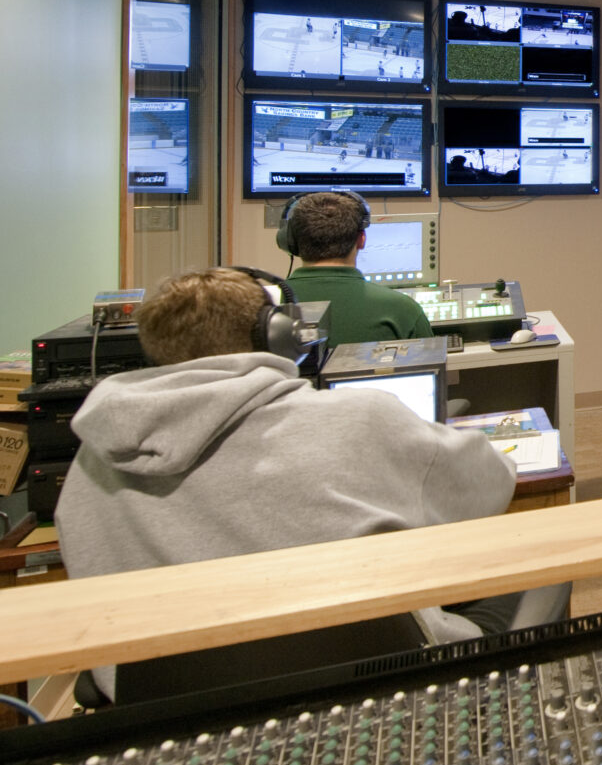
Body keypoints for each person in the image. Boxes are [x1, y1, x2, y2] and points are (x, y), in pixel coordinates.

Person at [56, 268, 537, 694]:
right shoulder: (358, 418)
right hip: (383, 683)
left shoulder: (94, 459)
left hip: (166, 706)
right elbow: (489, 486)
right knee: (527, 565)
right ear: (281, 334)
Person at [281, 190, 434, 345]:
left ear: (290, 241)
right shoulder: (403, 310)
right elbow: (431, 365)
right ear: (362, 239)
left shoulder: (265, 307)